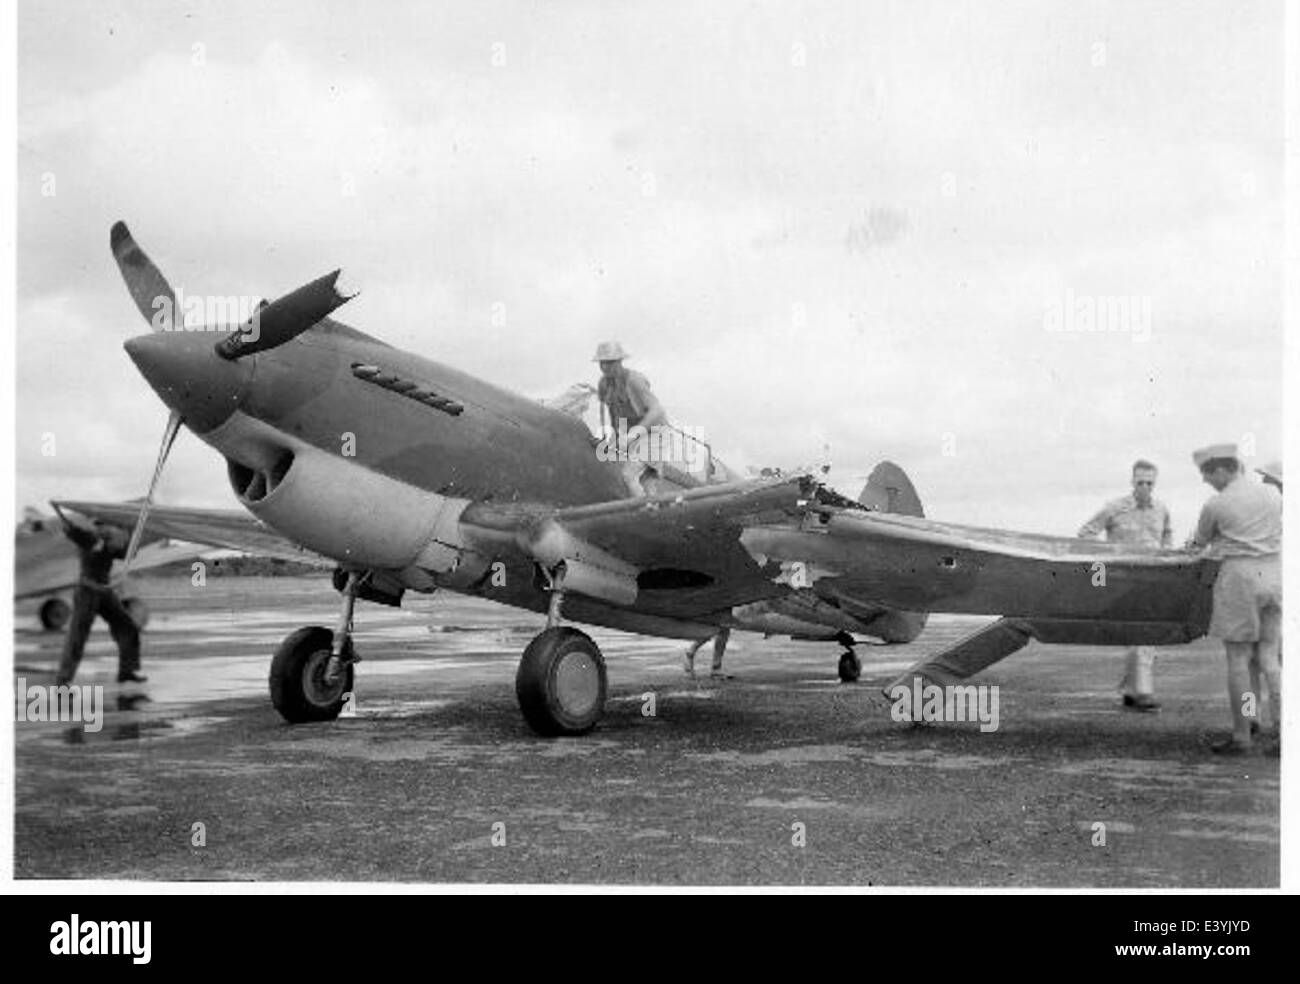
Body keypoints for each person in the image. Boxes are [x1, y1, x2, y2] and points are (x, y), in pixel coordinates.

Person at [1187, 445, 1281, 755]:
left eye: (1208, 474)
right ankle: (1283, 730)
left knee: (1239, 660)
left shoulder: (1217, 504)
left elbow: (1198, 543)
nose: (1206, 481)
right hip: (1274, 577)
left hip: (1240, 581)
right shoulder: (1273, 495)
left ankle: (1243, 733)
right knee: (1269, 658)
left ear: (1223, 469)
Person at [1078, 459, 1173, 711]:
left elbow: (1167, 541)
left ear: (1155, 483)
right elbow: (1086, 533)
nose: (1145, 487)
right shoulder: (1114, 508)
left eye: (1149, 483)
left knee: (1143, 636)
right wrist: (1106, 561)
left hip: (1154, 578)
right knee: (1142, 635)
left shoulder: (1162, 509)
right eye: (1140, 482)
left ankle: (1132, 692)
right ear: (1132, 482)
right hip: (1123, 580)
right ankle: (1142, 693)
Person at [52, 504, 145, 685]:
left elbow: (129, 554)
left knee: (127, 627)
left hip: (104, 591)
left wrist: (134, 530)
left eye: (103, 524)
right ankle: (63, 681)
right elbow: (73, 531)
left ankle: (126, 672)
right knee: (77, 637)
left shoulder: (109, 544)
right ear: (93, 525)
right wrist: (64, 519)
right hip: (87, 592)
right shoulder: (88, 539)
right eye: (98, 524)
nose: (101, 527)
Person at [593, 341, 669, 497]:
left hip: (653, 431)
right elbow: (613, 414)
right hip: (629, 433)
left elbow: (657, 410)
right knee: (644, 482)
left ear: (620, 362)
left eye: (610, 362)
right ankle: (652, 510)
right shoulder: (604, 384)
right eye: (603, 363)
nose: (606, 367)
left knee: (629, 474)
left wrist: (632, 435)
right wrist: (612, 440)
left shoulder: (635, 380)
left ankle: (644, 514)